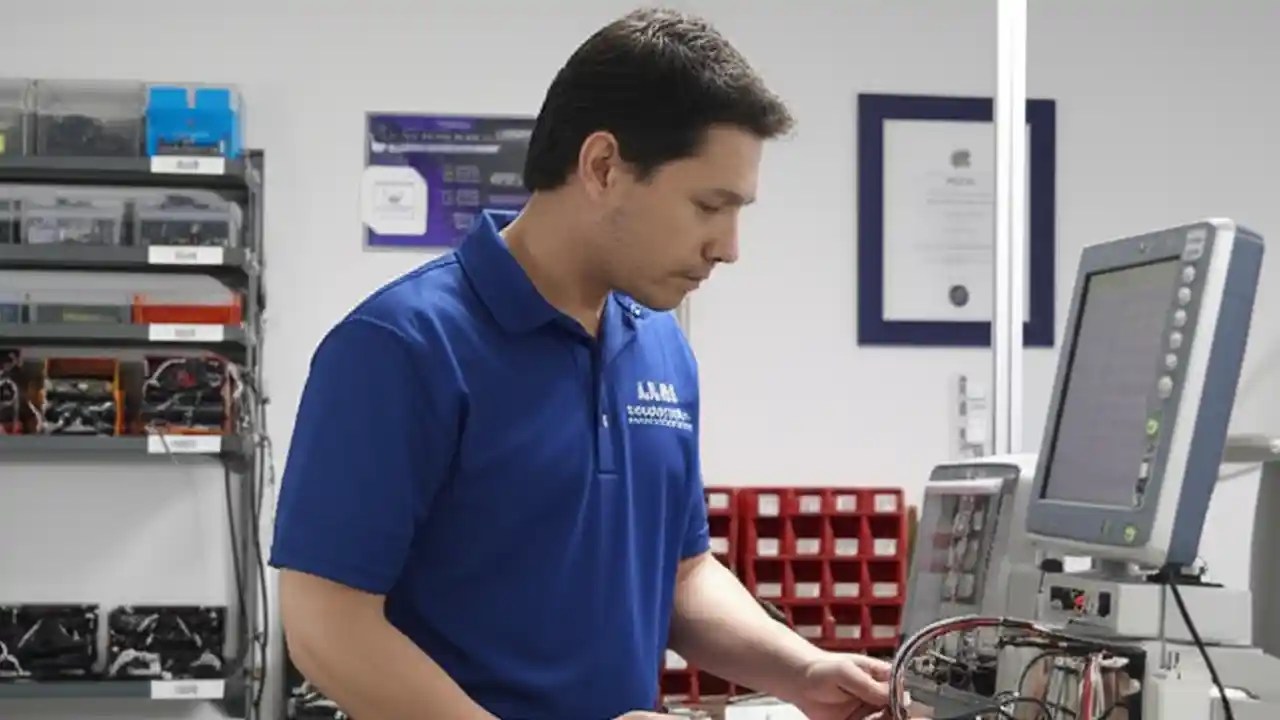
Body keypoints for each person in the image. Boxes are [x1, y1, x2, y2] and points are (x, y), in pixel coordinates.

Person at [270, 7, 896, 720]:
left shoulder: (660, 346)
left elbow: (681, 575)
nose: (729, 247)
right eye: (708, 206)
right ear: (603, 167)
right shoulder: (403, 347)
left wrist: (802, 668)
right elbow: (326, 625)